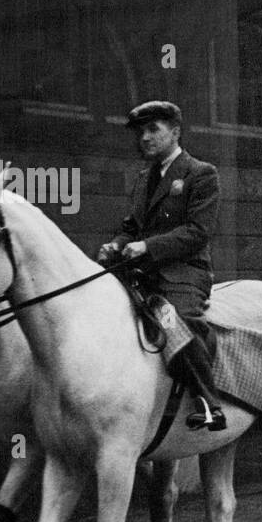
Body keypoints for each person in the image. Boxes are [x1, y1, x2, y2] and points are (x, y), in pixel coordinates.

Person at [98, 101, 226, 431]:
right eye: (141, 131)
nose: (145, 137)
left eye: (153, 129)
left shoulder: (201, 173)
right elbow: (131, 227)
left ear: (175, 132)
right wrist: (117, 245)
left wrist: (148, 246)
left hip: (183, 273)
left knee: (174, 320)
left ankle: (208, 403)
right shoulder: (145, 179)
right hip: (142, 272)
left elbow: (197, 232)